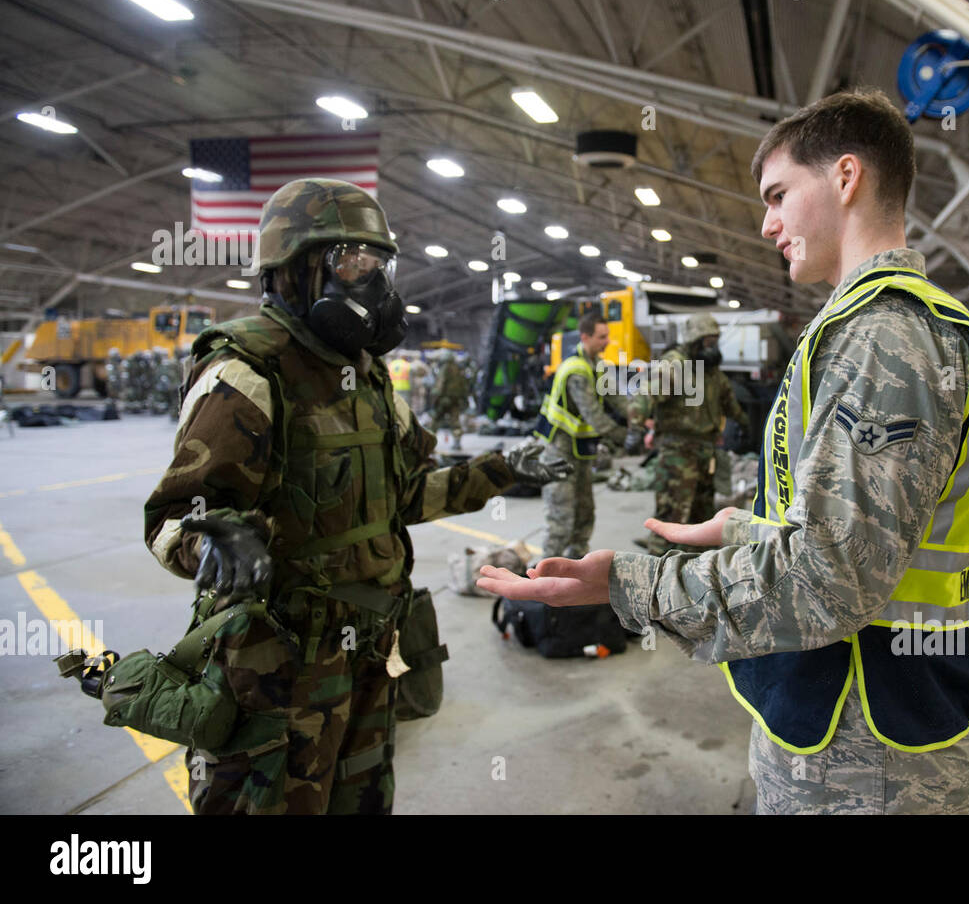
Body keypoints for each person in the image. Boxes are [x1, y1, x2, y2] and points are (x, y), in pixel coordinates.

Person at [481, 89, 969, 814]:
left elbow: (828, 581)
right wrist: (743, 527)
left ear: (846, 177)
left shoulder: (883, 335)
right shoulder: (900, 325)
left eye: (778, 195)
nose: (766, 224)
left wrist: (629, 586)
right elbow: (882, 537)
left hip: (868, 747)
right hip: (875, 723)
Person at [143, 178, 569, 814]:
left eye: (378, 263)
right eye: (350, 261)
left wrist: (503, 469)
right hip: (278, 668)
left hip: (371, 649)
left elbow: (404, 498)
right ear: (294, 269)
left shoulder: (369, 377)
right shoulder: (248, 372)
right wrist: (211, 542)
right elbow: (172, 518)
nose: (370, 280)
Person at [628, 313, 746, 556]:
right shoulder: (675, 365)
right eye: (708, 341)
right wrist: (636, 428)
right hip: (678, 453)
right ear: (694, 340)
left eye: (715, 340)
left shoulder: (711, 370)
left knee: (702, 520)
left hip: (706, 452)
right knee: (671, 516)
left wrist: (745, 423)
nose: (713, 347)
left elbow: (727, 400)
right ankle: (654, 566)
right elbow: (645, 395)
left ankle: (695, 566)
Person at [533, 311, 628, 559]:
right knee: (561, 516)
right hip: (559, 450)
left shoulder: (598, 366)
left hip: (582, 450)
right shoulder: (576, 370)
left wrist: (641, 416)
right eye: (601, 337)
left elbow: (617, 399)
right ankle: (545, 571)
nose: (607, 341)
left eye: (607, 336)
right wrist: (624, 437)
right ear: (585, 337)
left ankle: (576, 563)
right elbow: (593, 414)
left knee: (584, 512)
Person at [428, 349, 470, 451]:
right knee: (455, 422)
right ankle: (457, 442)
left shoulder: (445, 368)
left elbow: (440, 384)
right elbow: (464, 386)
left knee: (435, 421)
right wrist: (463, 399)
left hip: (443, 400)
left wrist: (434, 398)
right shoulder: (459, 369)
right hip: (456, 400)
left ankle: (429, 442)